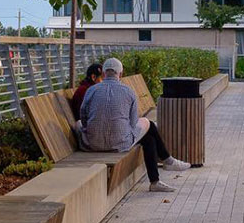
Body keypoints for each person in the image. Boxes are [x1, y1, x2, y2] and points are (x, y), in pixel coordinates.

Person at [78, 58, 191, 192]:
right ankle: (168, 160)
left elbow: (83, 117)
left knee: (149, 140)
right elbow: (132, 123)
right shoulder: (128, 91)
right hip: (120, 144)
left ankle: (155, 181)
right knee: (148, 124)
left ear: (103, 73)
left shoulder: (91, 91)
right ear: (121, 74)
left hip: (92, 144)